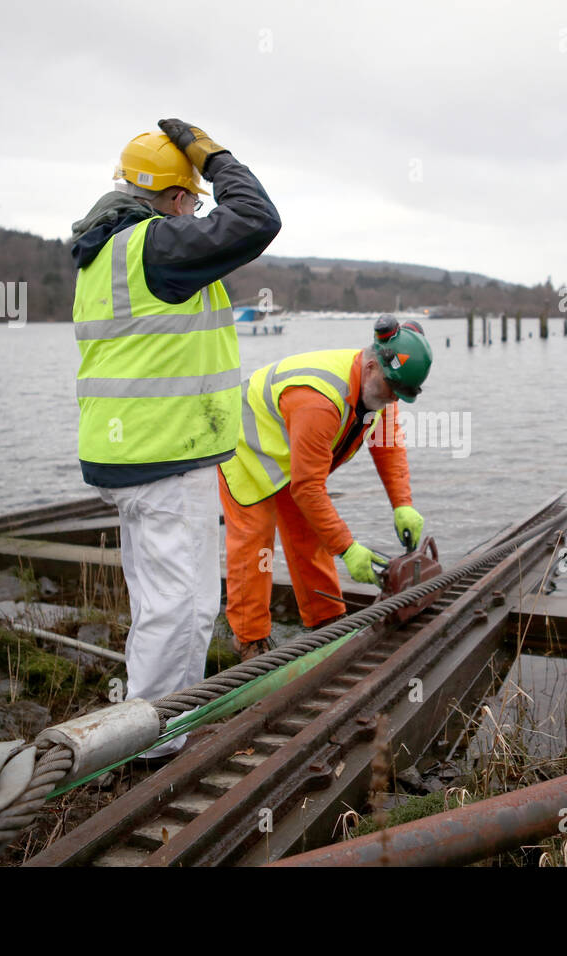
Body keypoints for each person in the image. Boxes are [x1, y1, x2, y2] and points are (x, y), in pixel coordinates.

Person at [71, 118, 280, 756]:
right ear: (168, 195)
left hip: (127, 455)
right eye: (189, 195)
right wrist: (216, 158)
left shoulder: (105, 250)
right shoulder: (156, 247)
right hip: (166, 457)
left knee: (156, 601)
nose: (195, 209)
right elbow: (258, 218)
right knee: (184, 608)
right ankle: (156, 744)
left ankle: (144, 721)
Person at [219, 318, 433, 661]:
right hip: (245, 450)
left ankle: (327, 621)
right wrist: (348, 548)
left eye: (400, 395)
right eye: (392, 389)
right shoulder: (320, 399)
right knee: (254, 547)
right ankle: (249, 640)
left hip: (294, 455)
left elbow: (388, 447)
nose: (393, 398)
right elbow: (307, 488)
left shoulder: (379, 391)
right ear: (372, 364)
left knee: (310, 536)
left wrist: (402, 504)